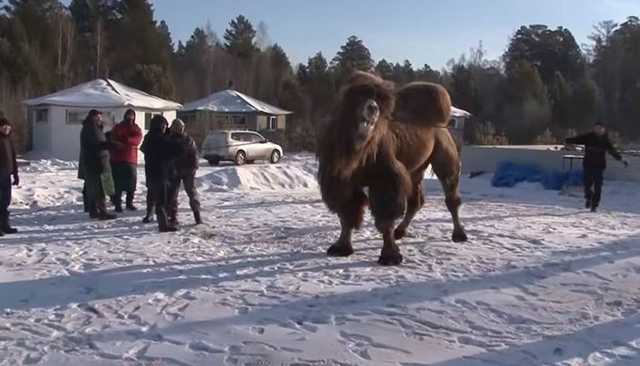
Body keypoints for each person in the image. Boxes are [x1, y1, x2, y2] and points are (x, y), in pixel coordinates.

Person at [565, 122, 629, 212]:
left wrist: (622, 160)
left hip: (599, 167)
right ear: (594, 129)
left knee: (598, 187)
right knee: (587, 185)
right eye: (596, 128)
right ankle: (589, 198)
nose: (598, 130)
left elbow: (613, 152)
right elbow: (577, 139)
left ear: (603, 129)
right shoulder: (588, 137)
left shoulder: (605, 141)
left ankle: (594, 205)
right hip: (588, 165)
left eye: (600, 128)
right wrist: (568, 140)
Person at [140, 115, 182, 232]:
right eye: (164, 126)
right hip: (160, 174)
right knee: (161, 201)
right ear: (160, 126)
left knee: (159, 199)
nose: (165, 128)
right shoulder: (159, 139)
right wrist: (175, 136)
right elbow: (177, 150)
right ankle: (163, 225)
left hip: (153, 173)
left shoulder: (149, 137)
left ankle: (163, 222)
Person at [79, 110, 117, 220]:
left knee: (94, 188)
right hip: (94, 162)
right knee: (98, 188)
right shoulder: (90, 129)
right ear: (93, 118)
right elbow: (96, 145)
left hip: (96, 161)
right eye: (98, 117)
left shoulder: (94, 128)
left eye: (100, 117)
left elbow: (99, 140)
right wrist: (110, 144)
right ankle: (102, 211)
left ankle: (94, 211)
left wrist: (107, 137)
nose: (100, 119)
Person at [167, 119, 202, 226]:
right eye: (177, 127)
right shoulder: (169, 140)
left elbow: (194, 154)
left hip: (187, 170)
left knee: (191, 192)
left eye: (181, 127)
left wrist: (194, 167)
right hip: (174, 170)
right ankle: (173, 216)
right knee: (172, 195)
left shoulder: (188, 139)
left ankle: (197, 215)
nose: (180, 129)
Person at [109, 109, 143, 212]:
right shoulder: (118, 127)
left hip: (130, 159)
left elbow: (137, 139)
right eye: (128, 115)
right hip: (118, 159)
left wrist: (126, 139)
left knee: (131, 184)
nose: (130, 117)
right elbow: (113, 138)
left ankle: (129, 203)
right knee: (118, 184)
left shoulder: (136, 128)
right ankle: (118, 204)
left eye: (132, 115)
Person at [0, 117, 19, 235]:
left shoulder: (8, 139)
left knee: (5, 201)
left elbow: (13, 157)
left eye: (8, 126)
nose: (6, 128)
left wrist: (16, 174)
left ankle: (5, 225)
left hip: (6, 174)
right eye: (3, 127)